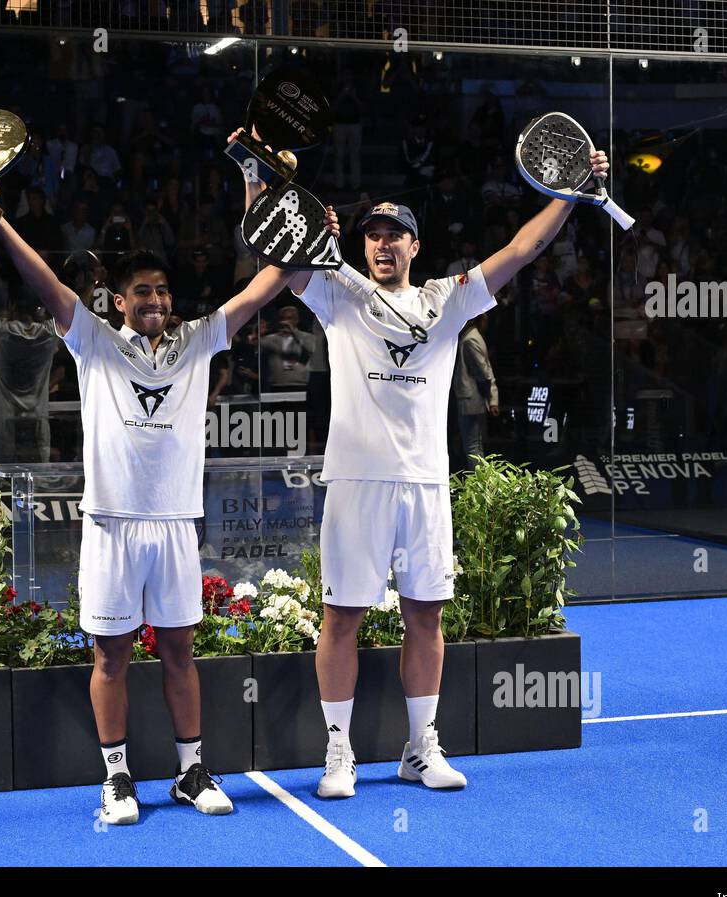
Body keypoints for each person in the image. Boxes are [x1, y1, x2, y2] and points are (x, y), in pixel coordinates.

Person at [0, 190, 339, 826]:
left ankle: (190, 771)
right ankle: (118, 778)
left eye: (162, 290)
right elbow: (44, 284)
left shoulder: (199, 340)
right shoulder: (93, 343)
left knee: (180, 652)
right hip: (110, 525)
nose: (154, 300)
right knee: (111, 656)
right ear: (120, 301)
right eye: (141, 292)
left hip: (176, 526)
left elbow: (263, 289)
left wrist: (306, 236)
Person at [242, 127, 610, 799]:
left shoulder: (449, 297)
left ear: (415, 246)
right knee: (341, 619)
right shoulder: (337, 293)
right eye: (373, 235)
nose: (383, 244)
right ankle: (338, 754)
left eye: (394, 235)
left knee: (426, 616)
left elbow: (522, 250)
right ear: (363, 246)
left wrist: (570, 193)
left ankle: (420, 748)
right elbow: (268, 240)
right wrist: (256, 175)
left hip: (424, 485)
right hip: (354, 483)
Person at [454, 313, 499, 471]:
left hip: (472, 399)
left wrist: (491, 399)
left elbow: (483, 373)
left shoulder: (470, 339)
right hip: (473, 398)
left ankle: (480, 487)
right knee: (474, 445)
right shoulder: (470, 337)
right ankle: (480, 485)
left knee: (473, 446)